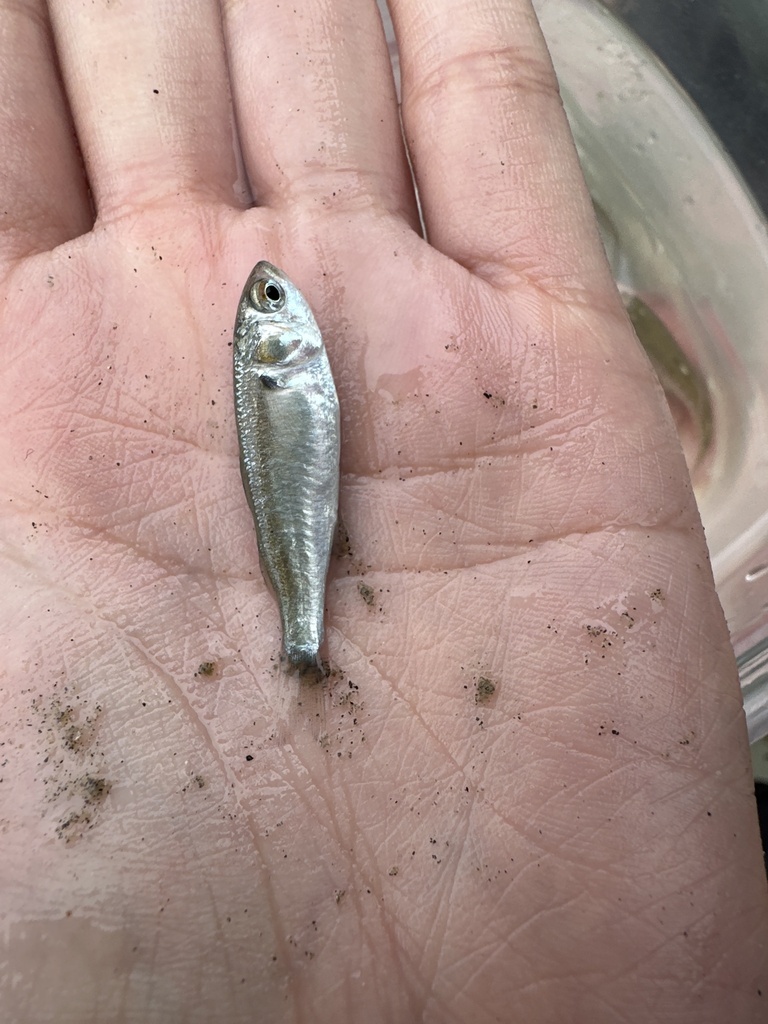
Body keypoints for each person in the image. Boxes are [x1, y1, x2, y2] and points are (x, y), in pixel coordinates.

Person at [0, 0, 765, 1020]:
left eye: (267, 302)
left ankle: (302, 627)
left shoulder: (281, 351)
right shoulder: (272, 354)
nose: (275, 303)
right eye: (269, 307)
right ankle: (300, 628)